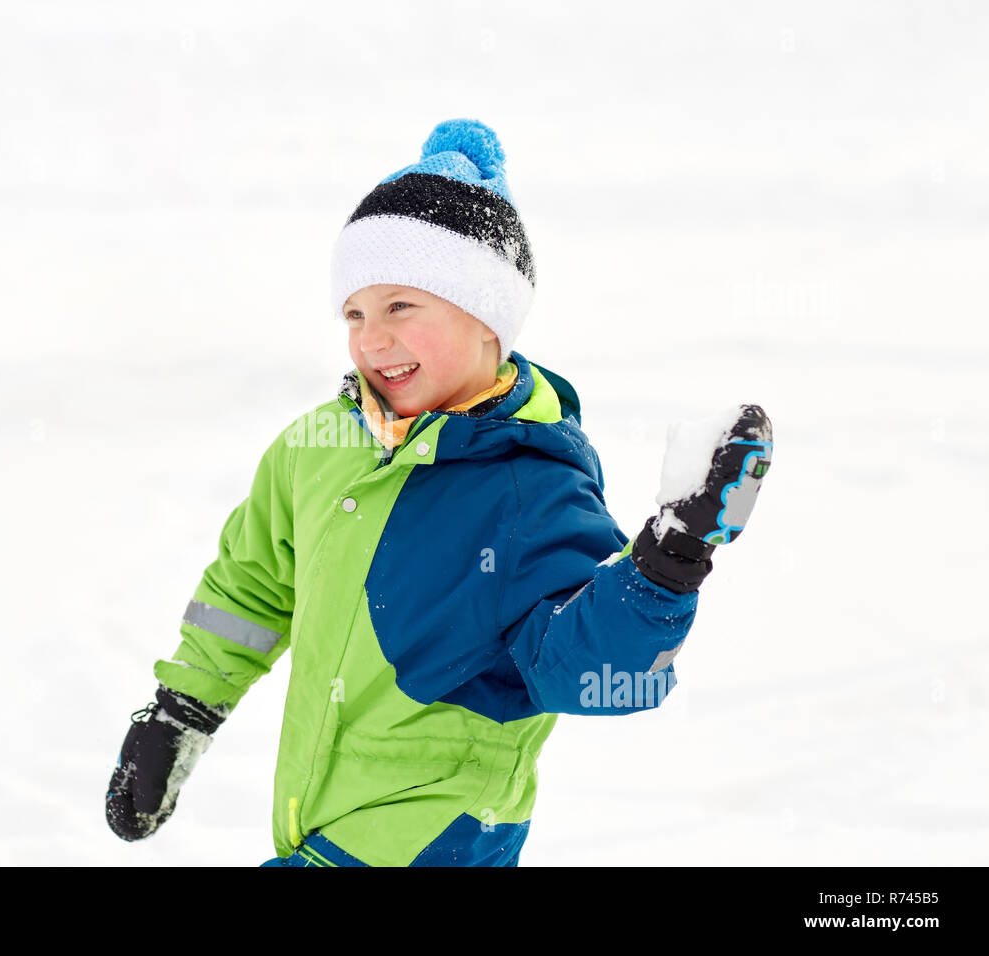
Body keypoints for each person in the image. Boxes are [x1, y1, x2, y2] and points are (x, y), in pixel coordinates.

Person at [105, 118, 774, 867]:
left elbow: (585, 668)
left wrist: (669, 561)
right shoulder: (316, 449)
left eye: (401, 308)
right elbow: (253, 586)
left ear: (486, 317)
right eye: (354, 313)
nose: (371, 340)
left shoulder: (531, 482)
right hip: (315, 823)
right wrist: (184, 708)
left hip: (436, 835)